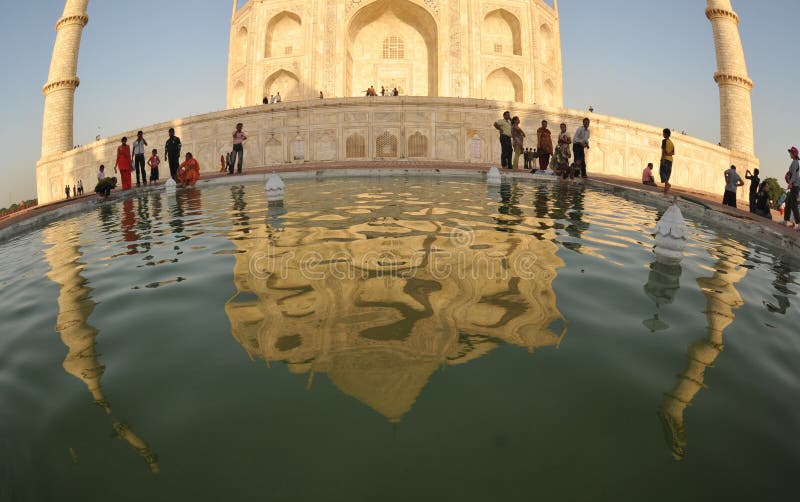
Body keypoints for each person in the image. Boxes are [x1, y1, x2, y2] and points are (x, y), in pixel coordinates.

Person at [783, 147, 800, 227]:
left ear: (794, 154)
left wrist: (790, 182)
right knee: (788, 202)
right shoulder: (794, 162)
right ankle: (785, 220)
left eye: (791, 152)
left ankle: (798, 224)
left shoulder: (795, 162)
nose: (789, 154)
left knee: (794, 205)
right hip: (794, 186)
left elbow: (795, 176)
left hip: (795, 186)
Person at [660, 128, 675, 193]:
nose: (663, 134)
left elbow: (663, 151)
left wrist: (662, 159)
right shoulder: (671, 143)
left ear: (666, 134)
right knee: (667, 174)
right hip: (670, 160)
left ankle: (667, 184)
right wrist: (668, 154)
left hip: (665, 159)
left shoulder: (664, 141)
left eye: (663, 133)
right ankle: (666, 188)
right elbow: (673, 153)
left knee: (662, 172)